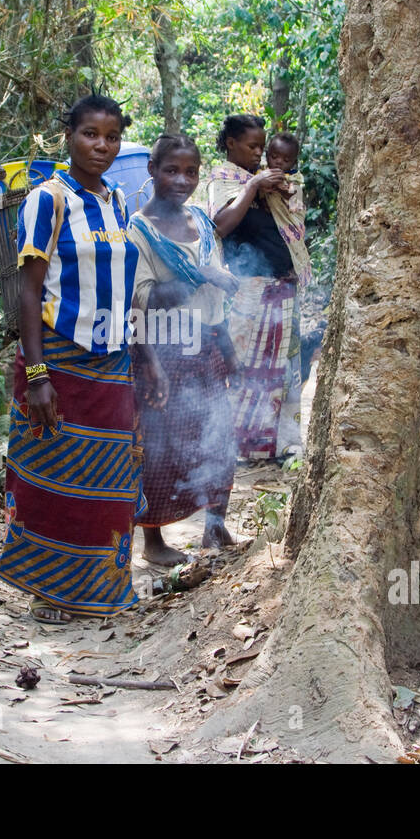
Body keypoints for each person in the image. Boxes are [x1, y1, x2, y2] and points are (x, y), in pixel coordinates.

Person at [0, 94, 143, 624]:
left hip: (111, 362)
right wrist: (38, 376)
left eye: (111, 136)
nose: (102, 145)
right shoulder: (48, 200)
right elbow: (28, 294)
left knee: (108, 480)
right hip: (58, 359)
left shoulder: (119, 202)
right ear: (69, 136)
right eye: (90, 134)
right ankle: (49, 591)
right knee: (51, 479)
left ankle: (103, 586)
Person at [129, 134, 240, 565]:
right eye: (171, 170)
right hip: (163, 352)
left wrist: (228, 348)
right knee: (159, 448)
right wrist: (200, 275)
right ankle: (153, 542)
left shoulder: (200, 219)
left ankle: (215, 527)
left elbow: (218, 296)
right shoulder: (138, 231)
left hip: (207, 344)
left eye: (191, 171)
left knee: (219, 436)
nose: (182, 180)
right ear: (152, 170)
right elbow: (143, 299)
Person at [207, 114, 311, 461]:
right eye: (251, 146)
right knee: (246, 365)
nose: (258, 154)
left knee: (284, 368)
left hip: (284, 286)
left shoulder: (273, 183)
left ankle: (283, 443)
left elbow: (292, 220)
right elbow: (219, 226)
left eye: (261, 148)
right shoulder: (224, 181)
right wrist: (251, 188)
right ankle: (243, 444)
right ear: (231, 144)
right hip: (249, 289)